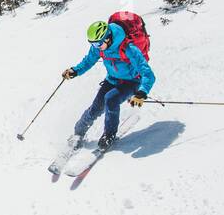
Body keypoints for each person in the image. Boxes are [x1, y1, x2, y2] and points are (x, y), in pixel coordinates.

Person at [62, 18, 155, 150]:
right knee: (95, 108)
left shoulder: (128, 48)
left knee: (111, 99)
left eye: (98, 43)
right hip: (112, 80)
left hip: (132, 82)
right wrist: (75, 71)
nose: (96, 47)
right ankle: (78, 133)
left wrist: (142, 92)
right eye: (93, 44)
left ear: (108, 38)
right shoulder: (99, 47)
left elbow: (148, 74)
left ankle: (109, 135)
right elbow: (89, 60)